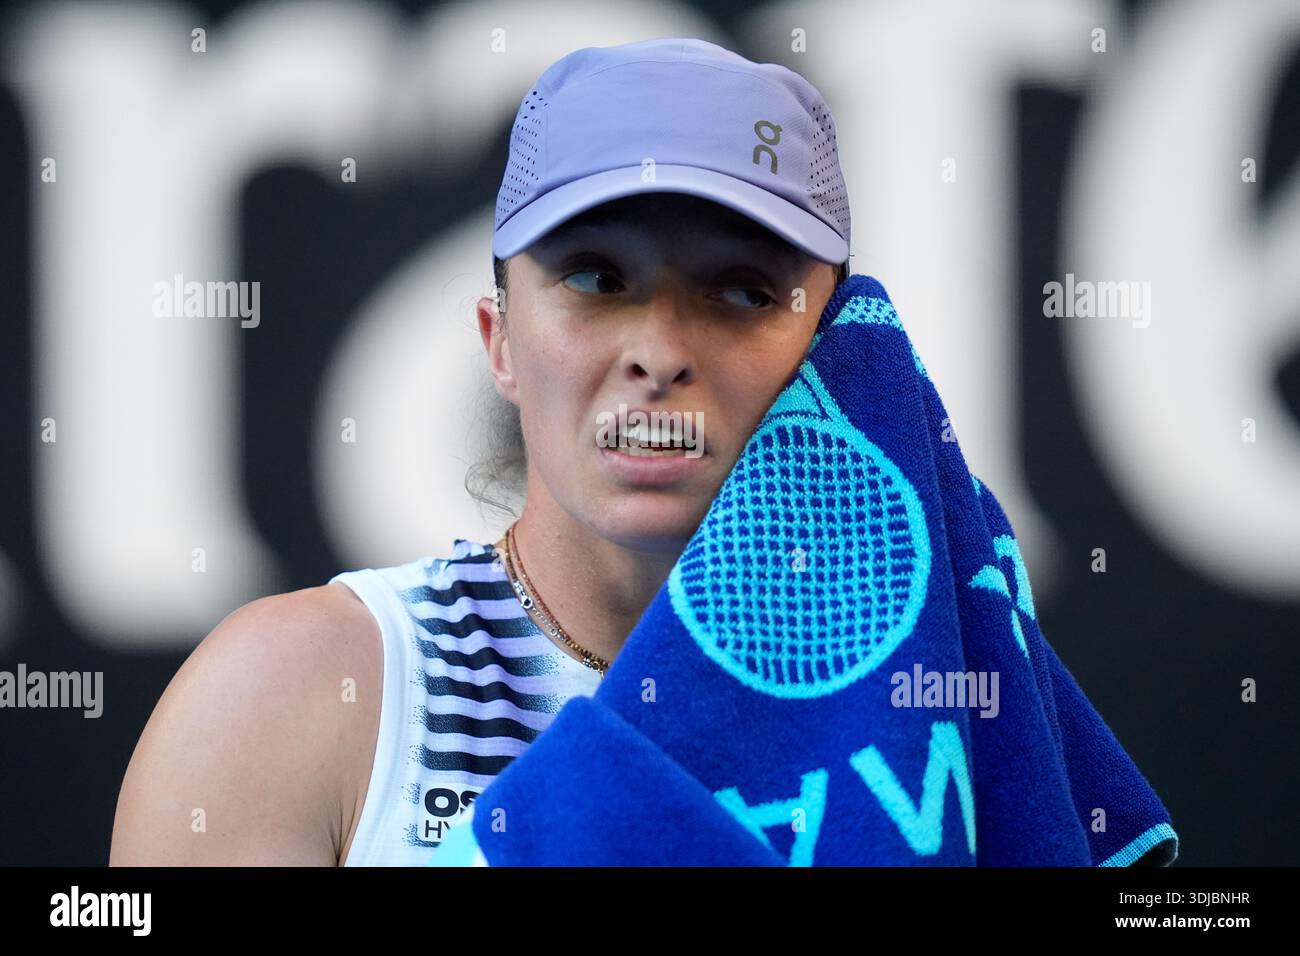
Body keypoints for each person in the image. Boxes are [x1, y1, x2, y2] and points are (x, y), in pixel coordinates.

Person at [110, 37, 852, 866]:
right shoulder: (288, 700)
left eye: (743, 290)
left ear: (840, 348)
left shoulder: (938, 710)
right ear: (499, 343)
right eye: (598, 279)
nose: (660, 350)